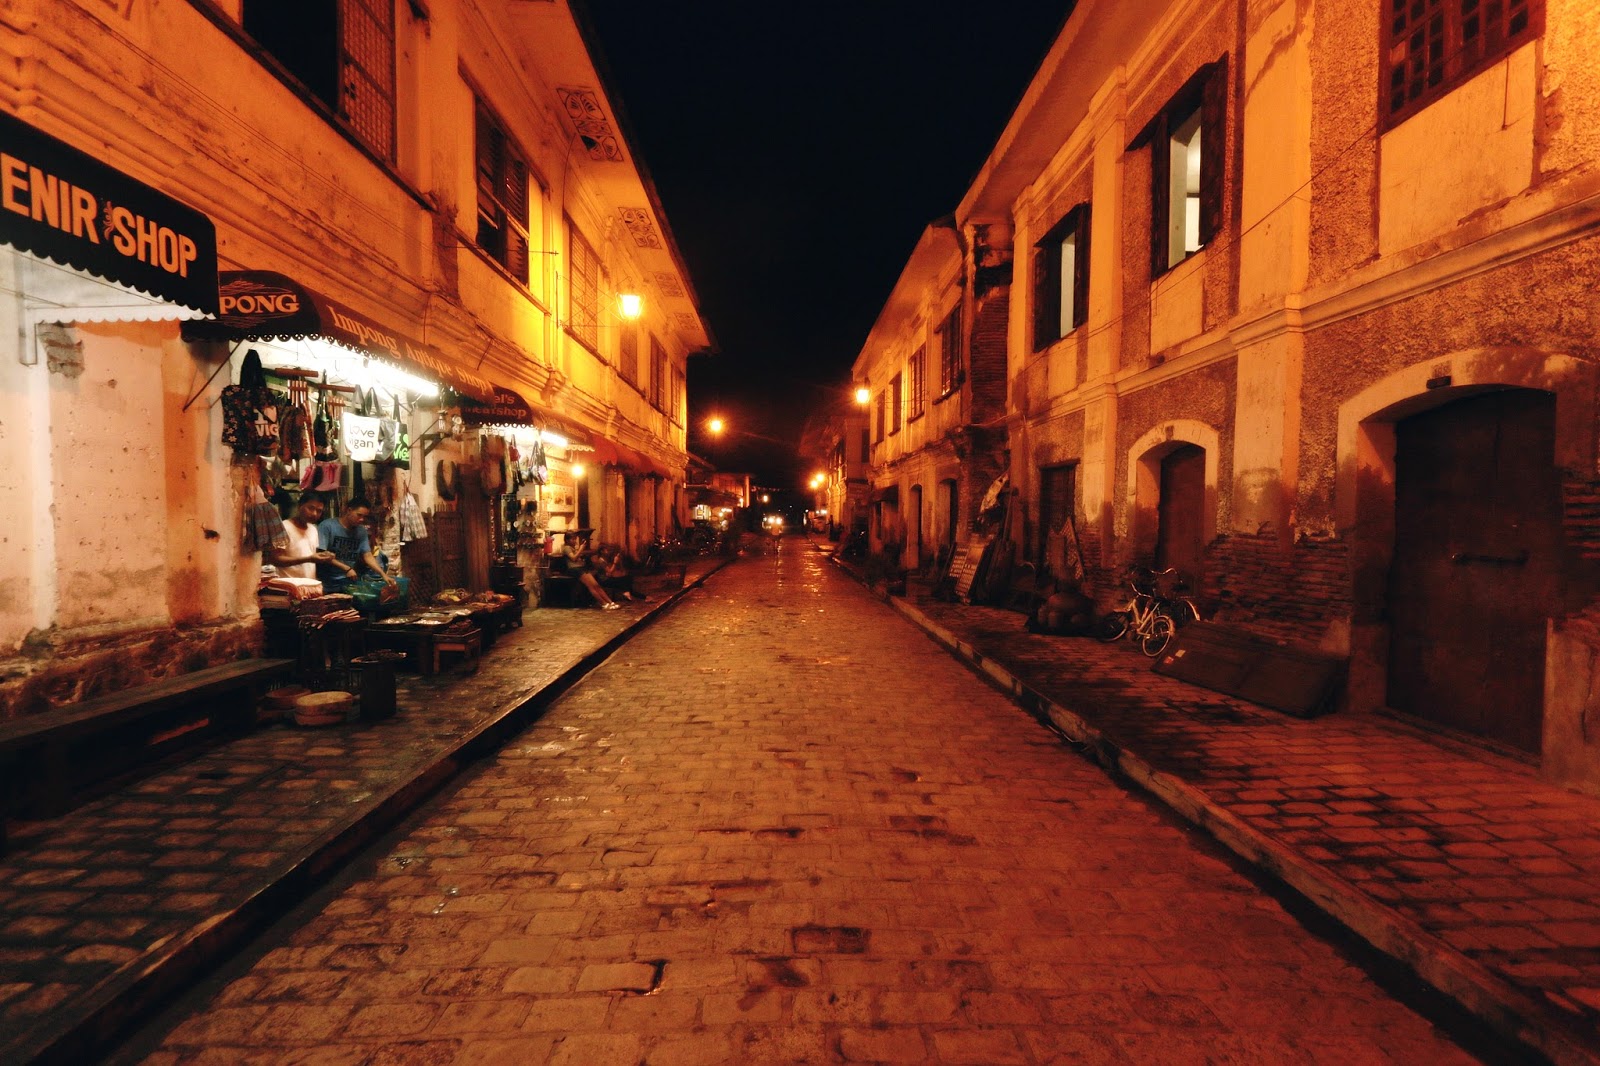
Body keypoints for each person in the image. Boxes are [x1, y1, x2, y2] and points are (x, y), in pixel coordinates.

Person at [318, 497, 396, 591]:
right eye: (359, 515)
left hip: (349, 580)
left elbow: (367, 555)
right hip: (327, 581)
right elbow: (321, 554)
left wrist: (383, 575)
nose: (361, 519)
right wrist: (346, 568)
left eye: (364, 517)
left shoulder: (361, 531)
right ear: (349, 510)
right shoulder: (327, 526)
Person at [270, 492, 336, 579]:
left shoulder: (313, 529)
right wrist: (308, 559)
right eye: (310, 508)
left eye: (319, 511)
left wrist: (324, 555)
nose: (314, 514)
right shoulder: (283, 527)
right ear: (299, 506)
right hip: (289, 586)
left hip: (309, 585)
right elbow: (276, 560)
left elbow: (309, 555)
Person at [561, 533, 620, 610]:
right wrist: (581, 548)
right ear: (567, 540)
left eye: (575, 539)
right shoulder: (566, 548)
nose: (574, 541)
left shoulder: (572, 547)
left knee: (596, 585)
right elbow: (573, 558)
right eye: (572, 539)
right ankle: (603, 604)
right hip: (575, 569)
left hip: (580, 567)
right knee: (591, 586)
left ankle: (610, 602)